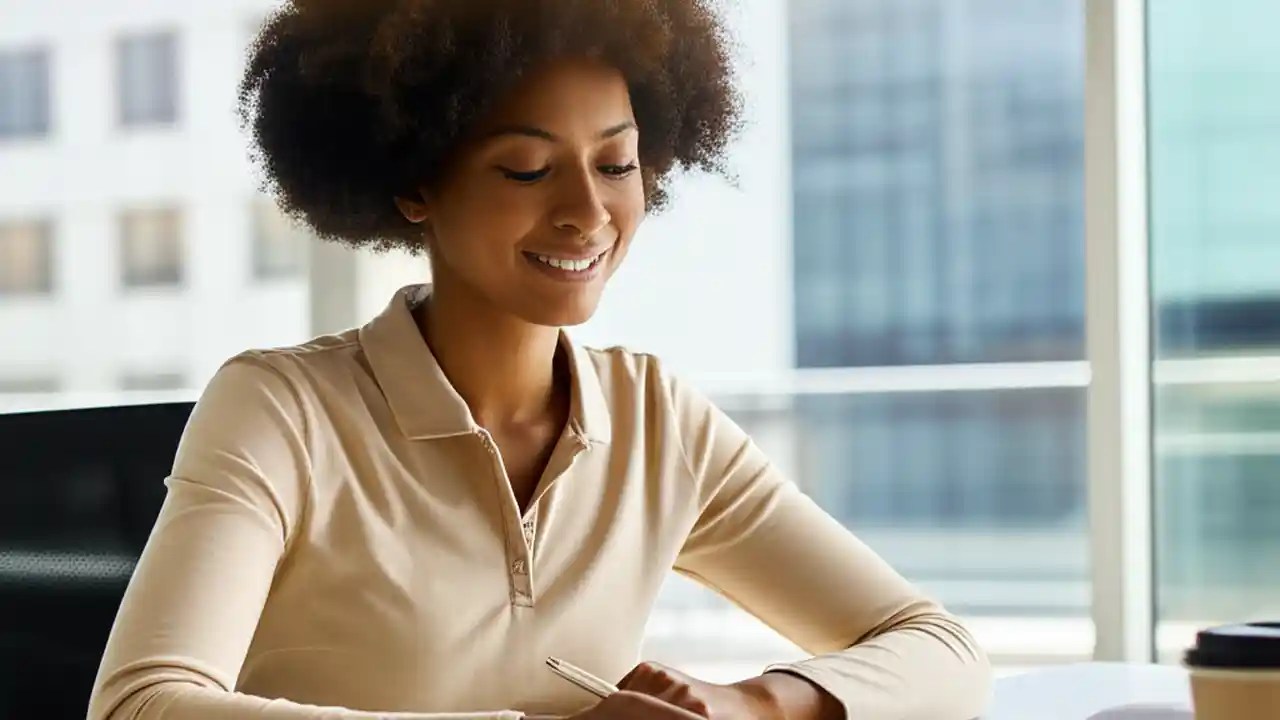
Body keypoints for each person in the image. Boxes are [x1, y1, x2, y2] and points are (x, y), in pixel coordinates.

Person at [88, 0, 992, 718]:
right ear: (414, 182)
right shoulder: (280, 409)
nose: (587, 214)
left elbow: (938, 649)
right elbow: (142, 703)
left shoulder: (655, 418)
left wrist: (747, 704)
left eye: (617, 165)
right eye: (526, 168)